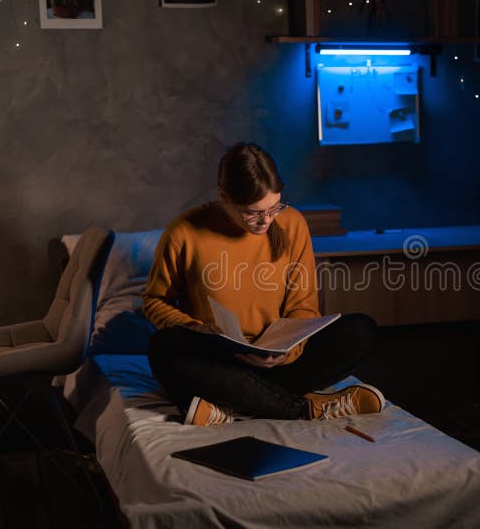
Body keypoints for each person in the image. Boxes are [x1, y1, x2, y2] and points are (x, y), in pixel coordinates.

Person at [143, 142, 383, 426]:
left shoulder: (293, 223)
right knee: (163, 346)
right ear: (223, 196)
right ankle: (304, 408)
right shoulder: (184, 231)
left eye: (274, 207)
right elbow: (154, 301)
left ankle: (233, 403)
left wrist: (286, 352)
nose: (266, 220)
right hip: (221, 359)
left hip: (280, 360)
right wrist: (198, 329)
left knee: (360, 330)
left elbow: (303, 305)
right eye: (253, 213)